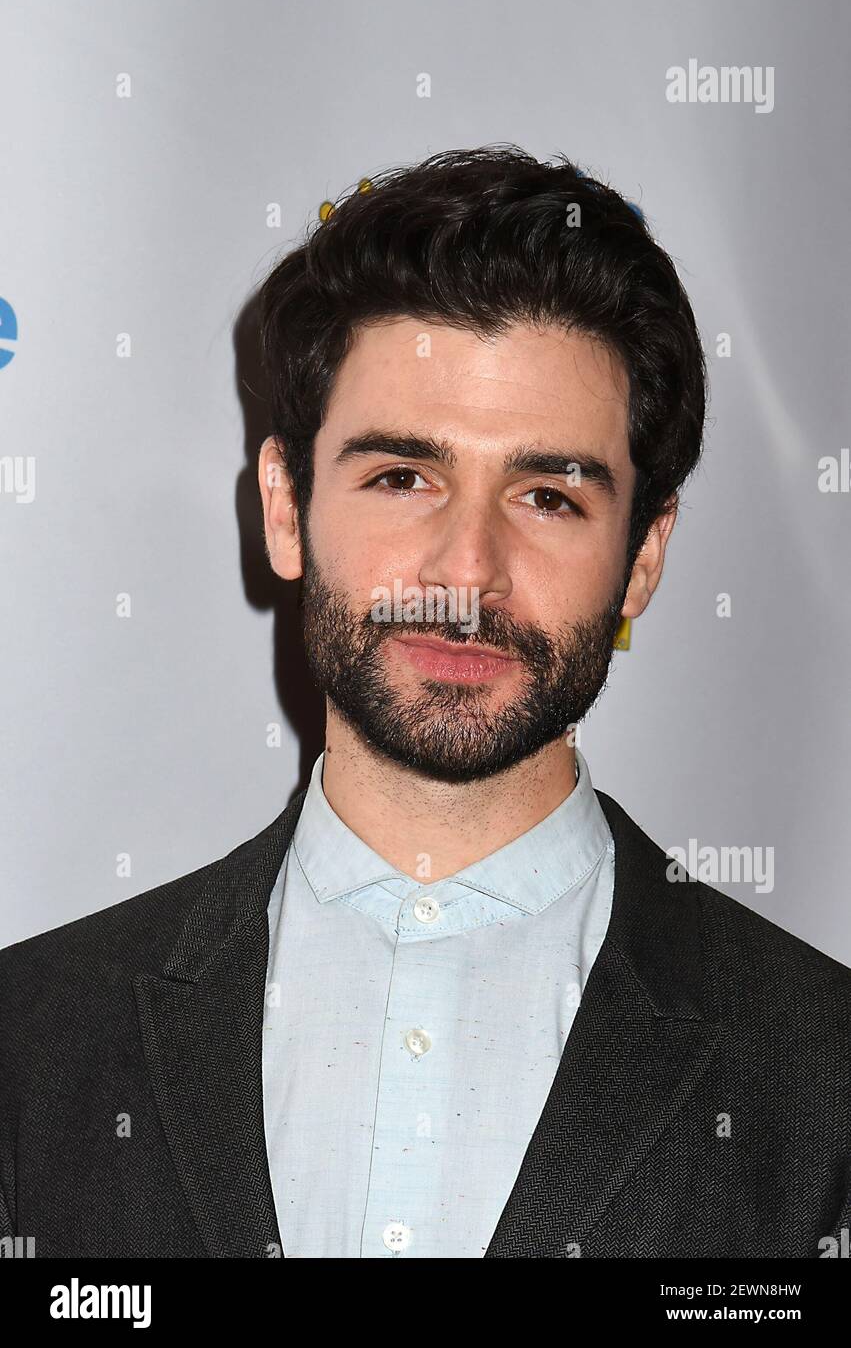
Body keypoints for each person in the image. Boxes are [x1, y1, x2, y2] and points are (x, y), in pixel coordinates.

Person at [1, 147, 849, 1259]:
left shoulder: (819, 1075)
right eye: (402, 477)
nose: (465, 572)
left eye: (546, 495)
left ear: (642, 557)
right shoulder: (34, 1040)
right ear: (286, 509)